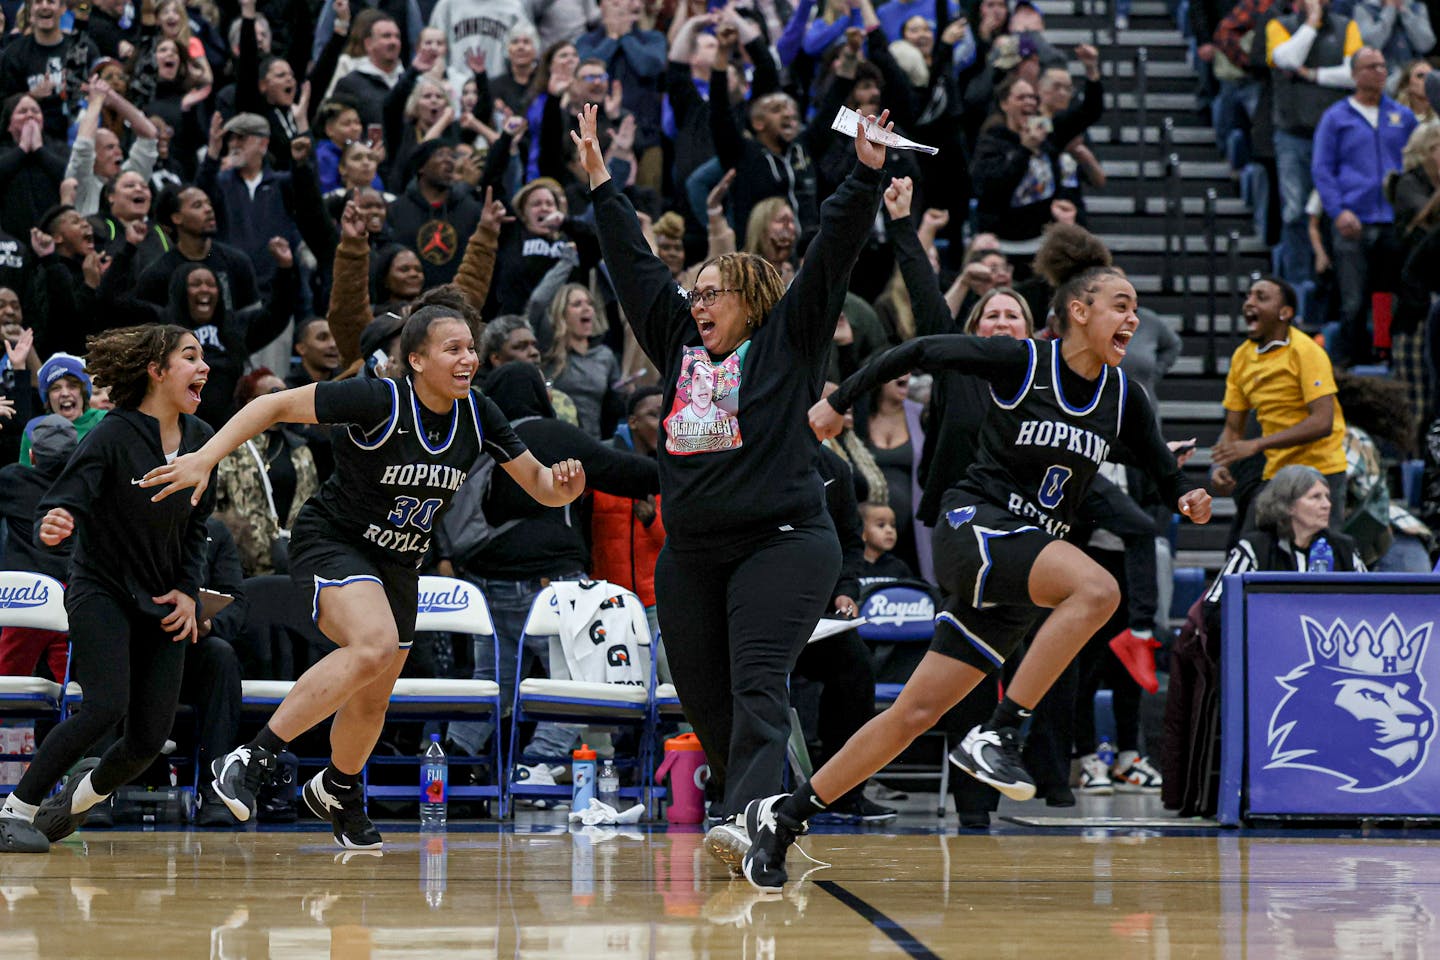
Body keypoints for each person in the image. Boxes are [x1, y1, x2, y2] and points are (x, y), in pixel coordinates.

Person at [740, 220, 1212, 892]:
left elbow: (1165, 475)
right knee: (1099, 591)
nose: (1134, 318)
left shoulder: (1123, 397)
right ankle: (1001, 732)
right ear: (1078, 312)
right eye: (1122, 305)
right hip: (977, 528)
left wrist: (1187, 497)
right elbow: (922, 348)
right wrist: (838, 404)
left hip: (1021, 568)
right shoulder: (1023, 362)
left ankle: (784, 817)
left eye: (1135, 308)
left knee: (914, 713)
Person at [139, 299, 588, 851]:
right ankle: (251, 756)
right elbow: (274, 405)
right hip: (334, 541)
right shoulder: (377, 399)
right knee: (373, 644)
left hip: (400, 562)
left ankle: (339, 787)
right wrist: (205, 457)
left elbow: (540, 484)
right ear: (417, 359)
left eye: (472, 347)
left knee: (373, 695)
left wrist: (562, 487)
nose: (468, 357)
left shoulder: (479, 413)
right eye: (454, 349)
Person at [576, 101, 888, 866]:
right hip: (692, 551)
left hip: (783, 541)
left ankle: (748, 817)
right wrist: (600, 185)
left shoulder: (791, 337)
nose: (698, 302)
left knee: (757, 682)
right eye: (696, 294)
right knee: (706, 698)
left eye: (713, 292)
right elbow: (635, 265)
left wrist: (864, 176)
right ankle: (764, 811)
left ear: (751, 299)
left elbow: (831, 255)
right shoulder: (681, 340)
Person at [0, 324, 215, 855]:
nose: (203, 367)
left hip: (164, 600)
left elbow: (197, 528)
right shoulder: (114, 433)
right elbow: (68, 495)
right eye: (190, 357)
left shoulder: (203, 438)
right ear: (156, 371)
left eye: (204, 357)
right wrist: (57, 519)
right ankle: (13, 810)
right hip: (101, 589)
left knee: (146, 739)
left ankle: (71, 805)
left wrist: (189, 591)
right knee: (103, 708)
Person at [1210, 276, 1349, 530]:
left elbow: (1322, 421)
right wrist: (1221, 464)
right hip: (1277, 473)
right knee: (1254, 546)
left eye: (1261, 298)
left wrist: (1256, 445)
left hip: (1321, 471)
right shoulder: (1242, 357)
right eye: (1248, 296)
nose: (1249, 303)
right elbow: (1233, 427)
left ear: (1284, 312)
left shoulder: (1306, 351)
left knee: (1320, 559)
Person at [1311, 46, 1416, 367]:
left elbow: (1416, 163)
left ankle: (1386, 356)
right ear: (1355, 74)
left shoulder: (1401, 116)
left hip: (1393, 221)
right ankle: (1348, 363)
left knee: (1388, 298)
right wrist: (1338, 210)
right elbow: (1322, 169)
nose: (1380, 72)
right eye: (1372, 66)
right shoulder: (1336, 117)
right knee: (1353, 301)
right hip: (1352, 221)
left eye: (1384, 66)